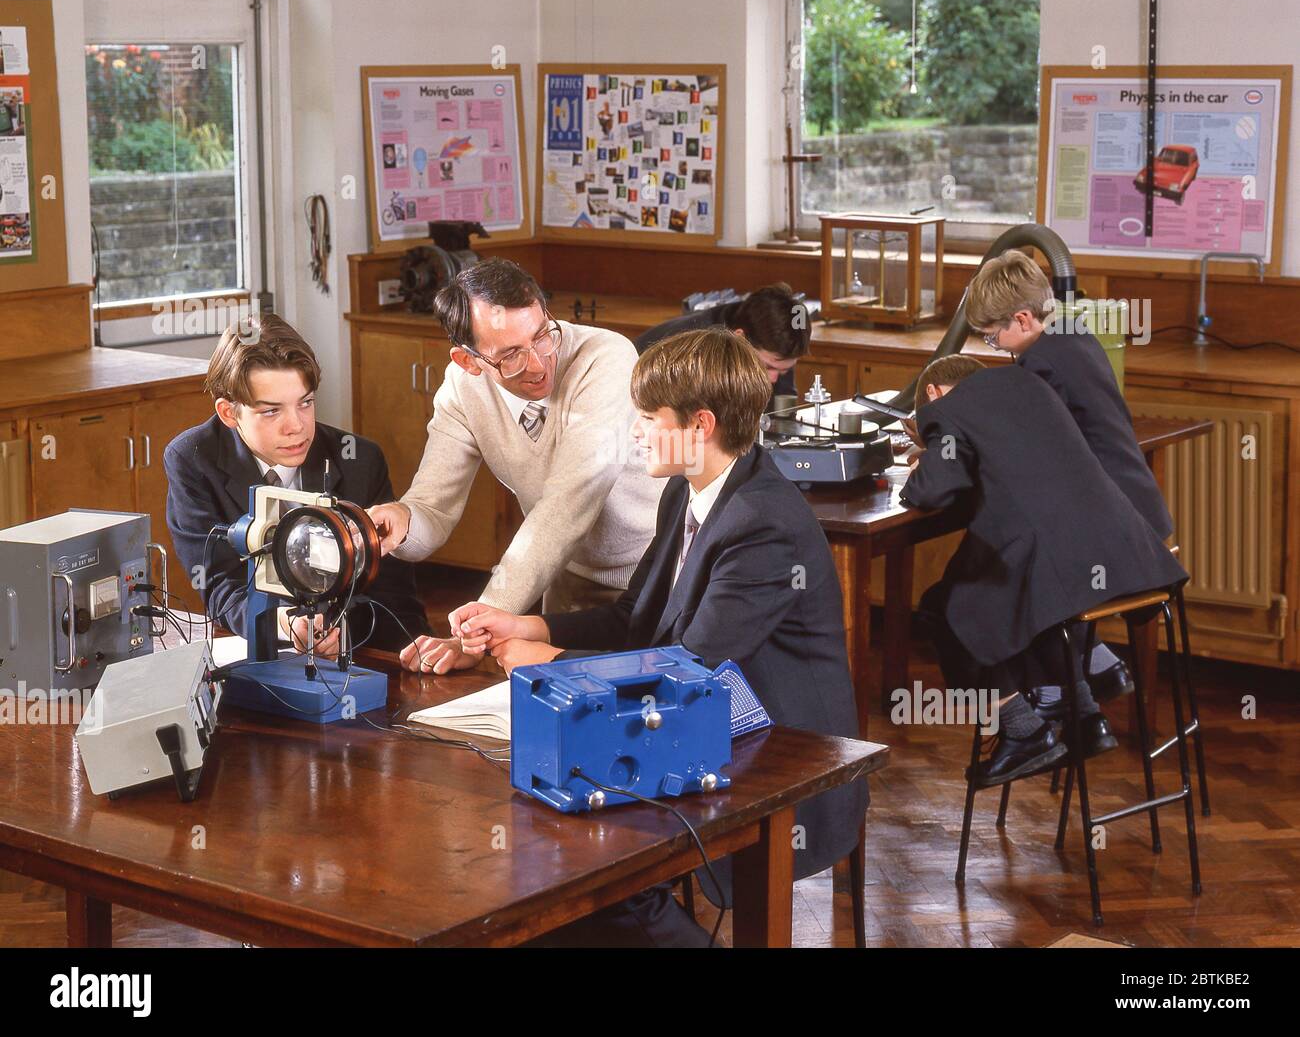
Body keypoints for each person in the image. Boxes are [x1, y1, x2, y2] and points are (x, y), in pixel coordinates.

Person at [450, 328, 868, 947]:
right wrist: (526, 625)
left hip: (777, 752)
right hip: (700, 727)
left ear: (699, 425)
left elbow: (690, 669)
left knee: (595, 852)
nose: (635, 432)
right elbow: (633, 619)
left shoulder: (763, 522)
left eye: (647, 417)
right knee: (561, 825)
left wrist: (550, 661)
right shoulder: (686, 488)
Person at [367, 257, 664, 674]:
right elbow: (433, 508)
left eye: (543, 336)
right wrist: (400, 520)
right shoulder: (462, 388)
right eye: (510, 356)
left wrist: (480, 624)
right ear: (467, 361)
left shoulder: (606, 358)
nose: (540, 364)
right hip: (564, 580)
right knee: (560, 717)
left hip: (651, 580)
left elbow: (567, 506)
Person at [900, 354, 1186, 784]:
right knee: (1031, 603)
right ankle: (1086, 716)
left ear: (934, 394)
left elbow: (933, 491)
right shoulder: (1030, 385)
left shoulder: (946, 407)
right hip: (1125, 554)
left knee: (944, 607)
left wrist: (923, 457)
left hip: (1057, 566)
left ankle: (1021, 731)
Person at [963, 249, 1174, 708]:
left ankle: (1055, 702)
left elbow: (1037, 457)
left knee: (1002, 580)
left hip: (1114, 530)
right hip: (1140, 513)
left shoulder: (1041, 366)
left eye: (993, 337)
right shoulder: (1073, 335)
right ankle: (1094, 667)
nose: (994, 347)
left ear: (1021, 318)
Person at [165, 313, 432, 655]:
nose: (297, 427)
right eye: (271, 412)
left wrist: (344, 630)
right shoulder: (192, 459)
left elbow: (394, 598)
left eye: (305, 403)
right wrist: (280, 624)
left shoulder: (360, 460)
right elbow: (218, 585)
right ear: (229, 413)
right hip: (261, 648)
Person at [634, 283, 811, 400]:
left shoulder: (778, 344)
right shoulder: (693, 349)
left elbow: (781, 414)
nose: (773, 379)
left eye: (783, 371)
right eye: (767, 367)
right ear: (739, 337)